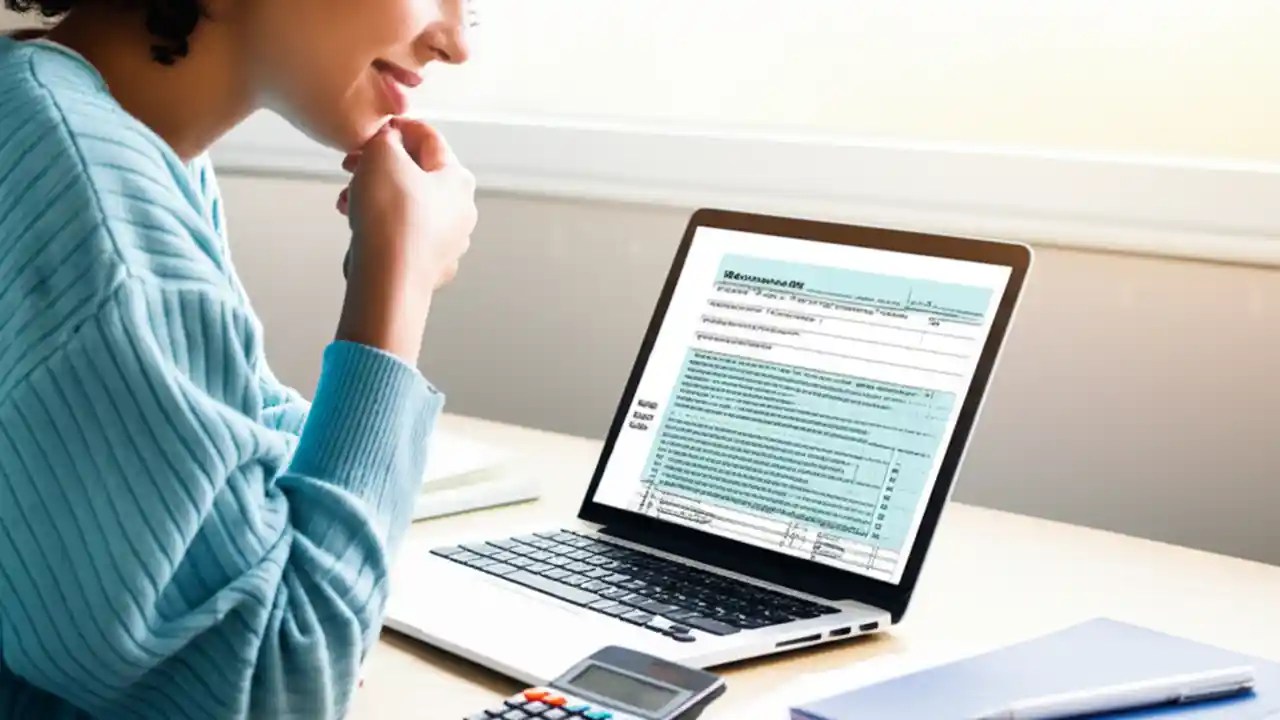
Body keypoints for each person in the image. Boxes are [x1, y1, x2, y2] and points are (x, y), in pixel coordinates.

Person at [0, 0, 477, 715]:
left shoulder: (77, 124)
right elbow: (270, 688)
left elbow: (240, 442)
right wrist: (398, 277)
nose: (455, 42)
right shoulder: (97, 205)